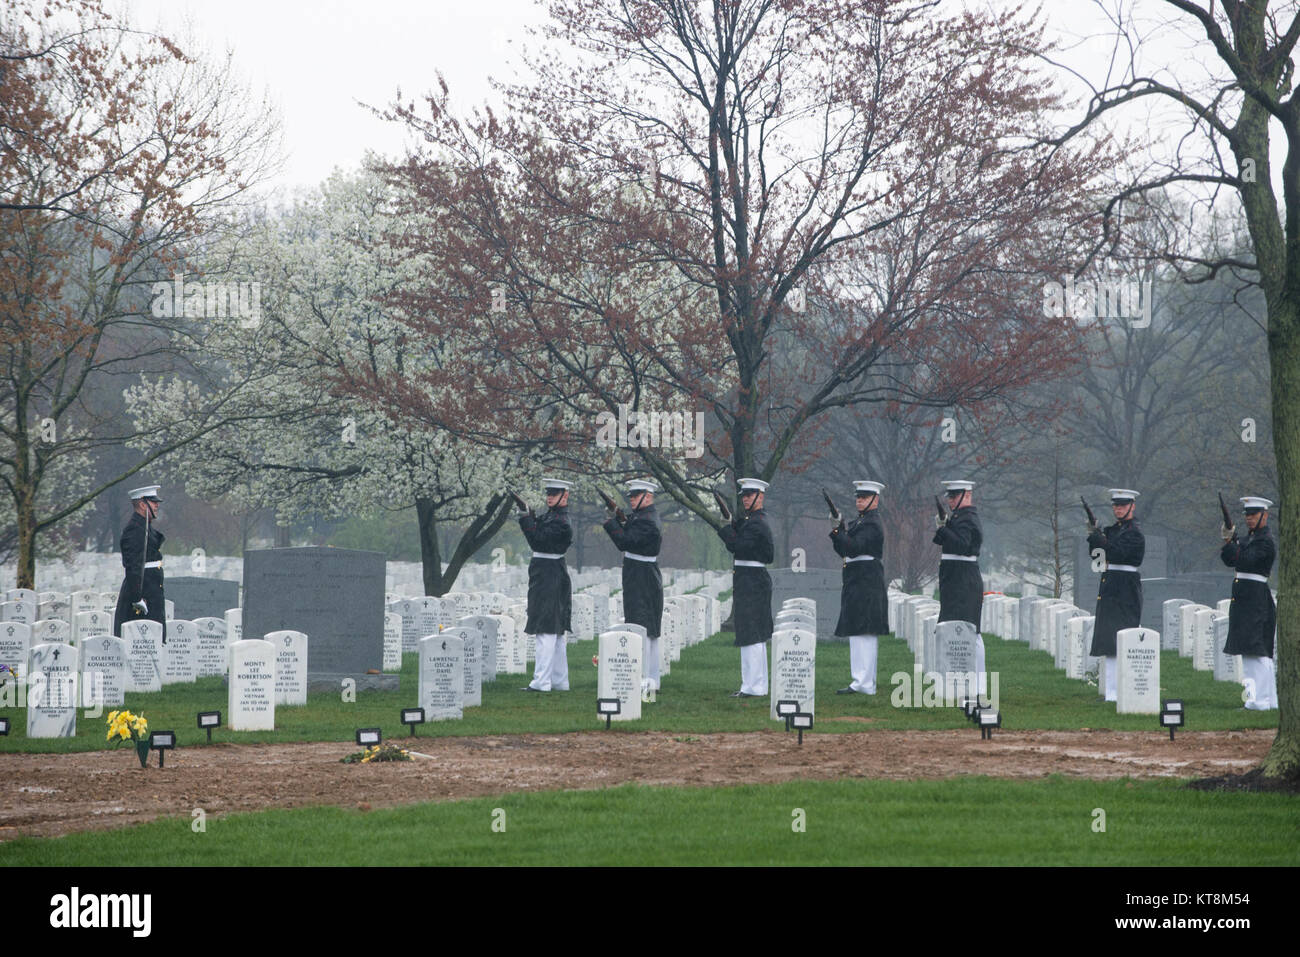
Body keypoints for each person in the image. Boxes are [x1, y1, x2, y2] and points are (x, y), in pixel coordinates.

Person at [602, 478, 664, 690]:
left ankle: (645, 679)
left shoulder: (647, 520)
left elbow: (625, 542)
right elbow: (630, 529)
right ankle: (652, 679)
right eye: (631, 496)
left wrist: (611, 522)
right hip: (641, 574)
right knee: (648, 627)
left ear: (647, 497)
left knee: (641, 624)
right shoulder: (643, 516)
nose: (632, 500)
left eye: (636, 496)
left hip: (641, 576)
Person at [716, 477, 774, 697]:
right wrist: (730, 522)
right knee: (751, 634)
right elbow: (739, 533)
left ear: (760, 496)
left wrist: (725, 528)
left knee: (752, 634)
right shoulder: (751, 520)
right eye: (744, 496)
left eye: (750, 495)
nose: (746, 499)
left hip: (752, 580)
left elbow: (737, 546)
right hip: (749, 579)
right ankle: (752, 685)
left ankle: (754, 686)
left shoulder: (757, 523)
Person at [1087, 488, 1144, 703]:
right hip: (1110, 586)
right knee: (1109, 642)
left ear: (1132, 506)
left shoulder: (1134, 533)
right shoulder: (1112, 531)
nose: (1118, 509)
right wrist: (1093, 536)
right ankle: (1111, 693)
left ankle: (1122, 691)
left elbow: (1115, 552)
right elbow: (1098, 558)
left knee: (1122, 639)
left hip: (1125, 589)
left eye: (1122, 505)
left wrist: (1100, 538)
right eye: (1115, 506)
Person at [831, 480, 888, 695]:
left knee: (864, 632)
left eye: (864, 497)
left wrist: (839, 530)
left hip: (866, 580)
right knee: (857, 631)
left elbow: (854, 548)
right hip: (858, 580)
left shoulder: (872, 524)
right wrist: (838, 528)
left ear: (875, 500)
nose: (859, 501)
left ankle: (863, 683)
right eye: (858, 497)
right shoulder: (860, 522)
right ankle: (861, 681)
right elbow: (844, 549)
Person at [1221, 496, 1277, 710]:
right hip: (1245, 599)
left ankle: (1261, 701)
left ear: (1264, 515)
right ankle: (1260, 699)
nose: (1249, 519)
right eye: (1247, 515)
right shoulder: (1248, 539)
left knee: (1258, 650)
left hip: (1255, 599)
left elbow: (1243, 559)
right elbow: (1229, 560)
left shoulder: (1265, 542)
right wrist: (1230, 540)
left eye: (1253, 515)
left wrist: (1231, 543)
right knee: (1249, 650)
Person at [519, 479, 574, 692]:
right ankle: (560, 681)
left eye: (555, 493)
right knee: (556, 631)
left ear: (565, 495)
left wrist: (526, 519)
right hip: (549, 572)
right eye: (548, 493)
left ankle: (541, 682)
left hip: (548, 574)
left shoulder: (561, 522)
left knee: (546, 629)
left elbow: (537, 540)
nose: (549, 496)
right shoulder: (554, 516)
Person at [933, 480, 985, 693]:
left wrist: (945, 528)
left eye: (954, 496)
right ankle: (958, 681)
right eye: (949, 496)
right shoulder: (959, 518)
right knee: (956, 631)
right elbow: (941, 540)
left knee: (970, 632)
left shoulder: (968, 519)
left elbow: (962, 545)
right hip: (955, 580)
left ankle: (978, 685)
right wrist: (944, 525)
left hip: (963, 581)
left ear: (967, 495)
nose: (950, 500)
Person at [113, 485, 167, 642]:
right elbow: (133, 566)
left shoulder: (144, 527)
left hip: (151, 589)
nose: (157, 505)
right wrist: (137, 598)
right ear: (143, 504)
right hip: (143, 593)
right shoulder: (135, 530)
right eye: (153, 502)